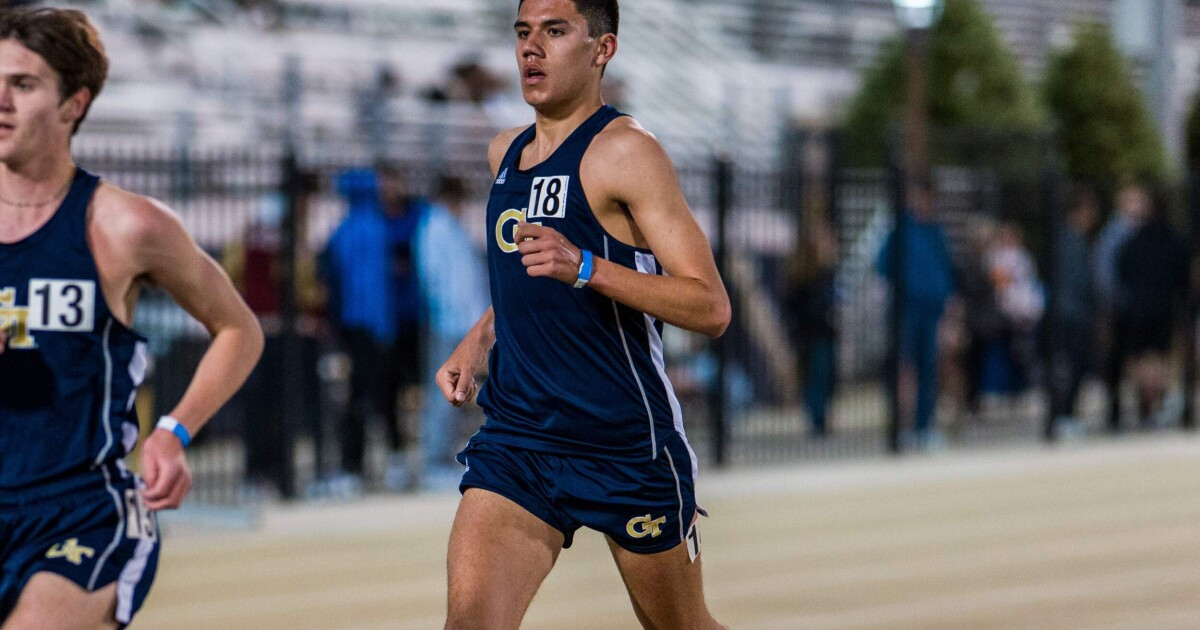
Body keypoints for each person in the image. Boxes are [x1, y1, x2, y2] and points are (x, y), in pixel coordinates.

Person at [434, 1, 730, 628]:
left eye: (555, 32)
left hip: (624, 444)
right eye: (522, 33)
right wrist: (479, 336)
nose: (530, 49)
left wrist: (589, 267)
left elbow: (709, 305)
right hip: (520, 440)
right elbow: (529, 276)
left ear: (603, 49)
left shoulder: (626, 153)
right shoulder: (504, 156)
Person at [0, 8, 263, 628]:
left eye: (24, 84)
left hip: (78, 510)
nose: (1, 101)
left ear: (74, 103)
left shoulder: (126, 226)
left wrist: (173, 432)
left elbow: (238, 329)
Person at [320, 168, 393, 495]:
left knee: (357, 398)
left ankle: (353, 465)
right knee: (367, 397)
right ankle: (360, 463)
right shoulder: (375, 228)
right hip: (371, 327)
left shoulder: (346, 230)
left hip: (352, 325)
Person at [413, 175, 488, 489]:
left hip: (461, 324)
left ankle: (444, 455)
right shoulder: (436, 228)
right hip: (450, 323)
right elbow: (437, 281)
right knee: (444, 392)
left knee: (460, 393)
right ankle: (434, 461)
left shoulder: (450, 228)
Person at [876, 176, 956, 450]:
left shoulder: (935, 232)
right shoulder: (901, 230)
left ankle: (924, 426)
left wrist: (949, 302)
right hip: (907, 309)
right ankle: (903, 427)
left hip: (932, 310)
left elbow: (946, 271)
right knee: (904, 368)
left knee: (929, 369)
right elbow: (882, 266)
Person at [1114, 196, 1189, 428]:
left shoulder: (1133, 242)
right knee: (1159, 358)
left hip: (1137, 309)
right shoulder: (1174, 242)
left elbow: (1121, 273)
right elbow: (1183, 278)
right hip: (1163, 308)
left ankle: (1148, 406)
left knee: (1141, 360)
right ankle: (1157, 404)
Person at [1092, 183, 1149, 431]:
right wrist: (1112, 303)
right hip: (1120, 307)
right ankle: (1116, 413)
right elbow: (1105, 274)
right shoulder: (1116, 234)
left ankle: (1138, 410)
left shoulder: (1138, 232)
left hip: (1132, 306)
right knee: (1118, 360)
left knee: (1135, 359)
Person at [1049, 186, 1098, 435]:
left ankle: (1066, 414)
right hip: (1072, 313)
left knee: (1073, 367)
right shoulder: (1071, 241)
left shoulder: (1072, 240)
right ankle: (1063, 415)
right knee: (1070, 367)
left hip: (1072, 312)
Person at [783, 219, 838, 438]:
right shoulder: (805, 275)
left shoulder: (826, 272)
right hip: (813, 334)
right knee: (816, 376)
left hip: (822, 333)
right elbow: (796, 306)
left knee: (825, 376)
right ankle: (817, 421)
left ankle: (821, 419)